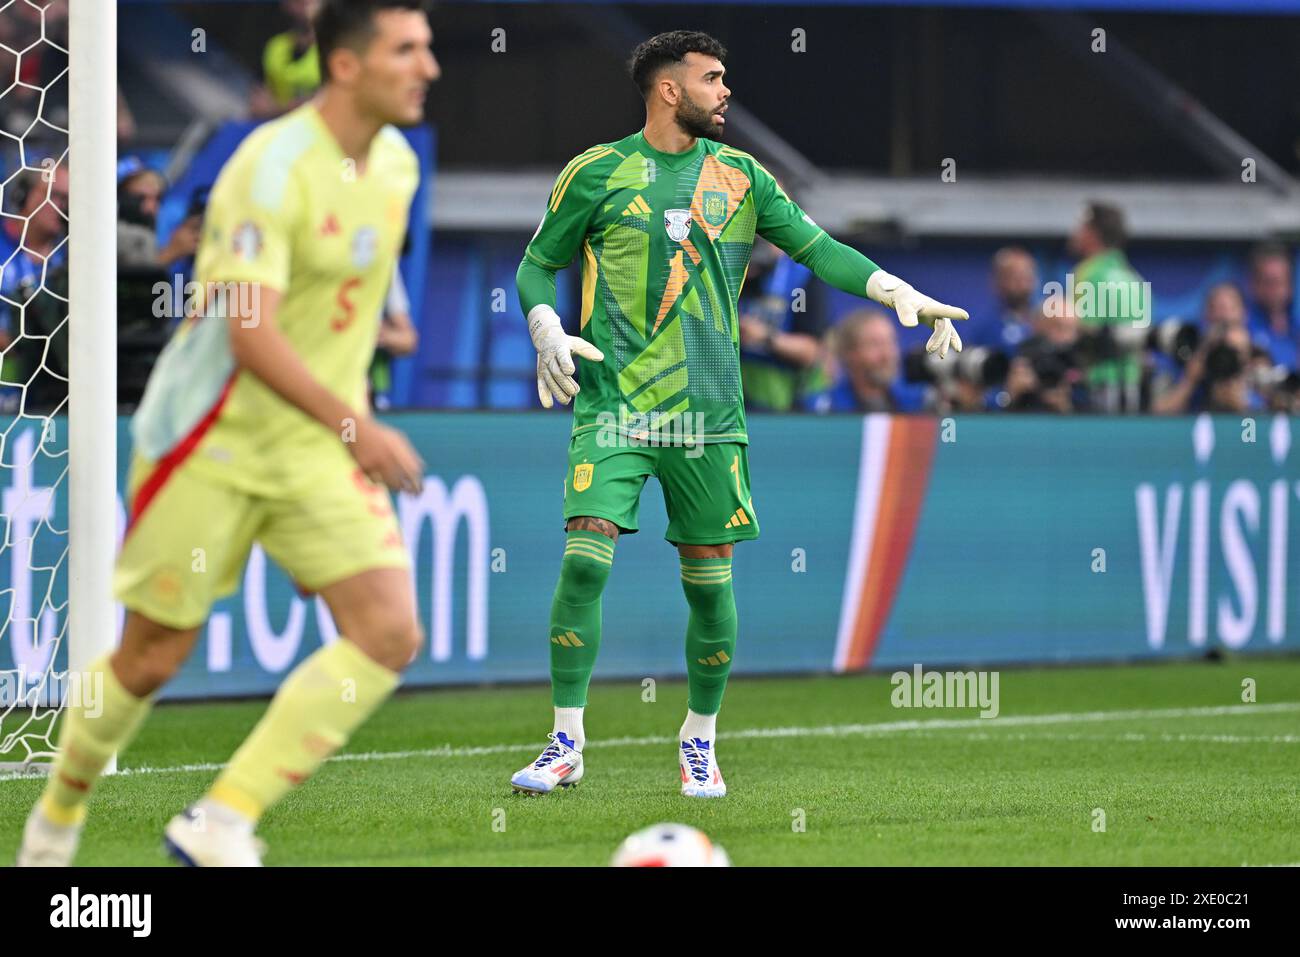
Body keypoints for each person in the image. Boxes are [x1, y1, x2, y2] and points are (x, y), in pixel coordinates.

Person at [17, 0, 440, 868]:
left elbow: (348, 320)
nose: (429, 67)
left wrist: (345, 421)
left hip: (314, 443)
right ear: (349, 65)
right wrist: (359, 425)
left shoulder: (396, 167)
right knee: (149, 656)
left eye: (428, 47)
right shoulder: (271, 164)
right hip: (213, 436)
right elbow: (251, 333)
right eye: (407, 49)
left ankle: (219, 820)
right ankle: (55, 824)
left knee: (388, 632)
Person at [510, 30, 966, 799]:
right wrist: (545, 325)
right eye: (713, 79)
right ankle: (566, 739)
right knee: (583, 563)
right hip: (614, 405)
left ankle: (700, 739)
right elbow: (535, 263)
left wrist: (898, 293)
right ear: (667, 89)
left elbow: (820, 251)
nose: (726, 92)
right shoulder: (596, 172)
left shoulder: (744, 177)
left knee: (710, 589)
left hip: (709, 415)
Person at [1068, 201, 1146, 412]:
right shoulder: (1134, 277)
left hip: (1097, 385)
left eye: (1080, 228)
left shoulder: (1088, 273)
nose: (1074, 233)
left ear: (1093, 233)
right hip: (1132, 386)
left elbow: (1079, 332)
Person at [811, 308, 926, 413]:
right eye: (875, 345)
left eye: (890, 342)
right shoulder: (821, 409)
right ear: (849, 353)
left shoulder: (918, 405)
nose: (887, 355)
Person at [251, 0, 324, 119]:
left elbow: (317, 103)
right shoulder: (277, 45)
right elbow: (259, 92)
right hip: (263, 120)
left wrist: (274, 109)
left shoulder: (327, 58)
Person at [968, 246, 1039, 351]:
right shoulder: (986, 329)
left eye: (1026, 276)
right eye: (1014, 277)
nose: (1021, 283)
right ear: (997, 281)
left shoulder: (1046, 320)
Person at [1244, 243, 1297, 370]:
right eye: (1267, 282)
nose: (1274, 290)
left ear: (1290, 285)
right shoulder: (1241, 330)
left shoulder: (1296, 328)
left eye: (1279, 282)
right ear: (1253, 285)